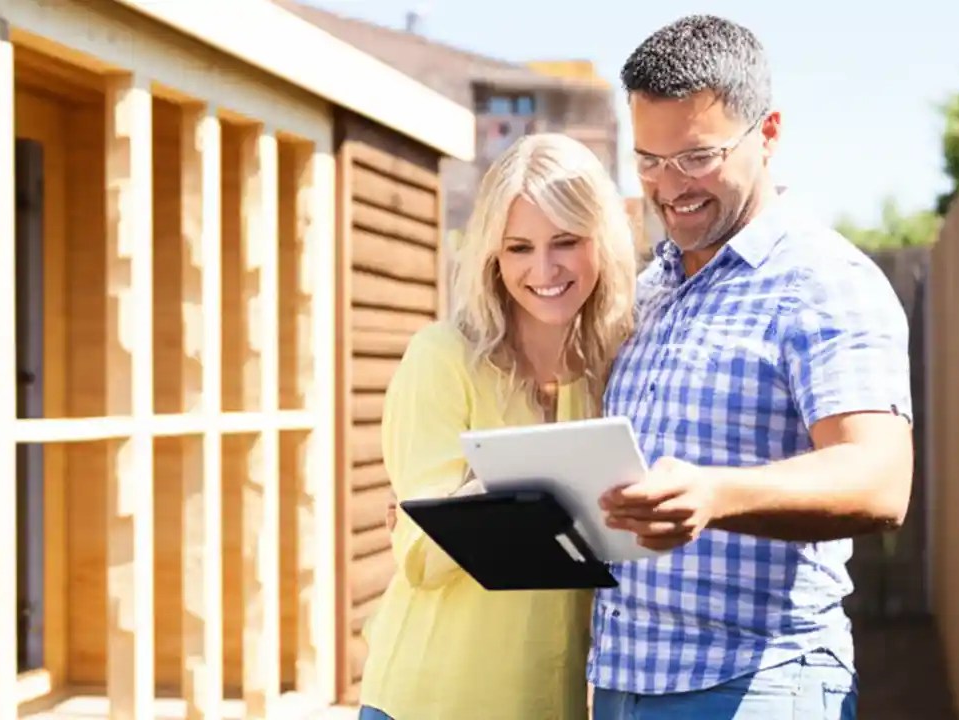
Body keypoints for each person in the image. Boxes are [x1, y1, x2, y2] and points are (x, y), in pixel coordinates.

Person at [589, 15, 914, 720]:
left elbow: (880, 478)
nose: (668, 186)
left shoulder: (824, 281)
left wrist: (717, 494)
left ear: (767, 134)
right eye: (648, 159)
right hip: (625, 683)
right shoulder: (651, 291)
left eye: (696, 157)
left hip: (755, 686)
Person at [357, 132, 638, 720]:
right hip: (426, 699)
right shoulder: (442, 357)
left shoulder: (614, 372)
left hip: (547, 702)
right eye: (518, 248)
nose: (544, 269)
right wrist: (517, 491)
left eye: (566, 241)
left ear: (602, 243)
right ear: (492, 254)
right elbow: (420, 556)